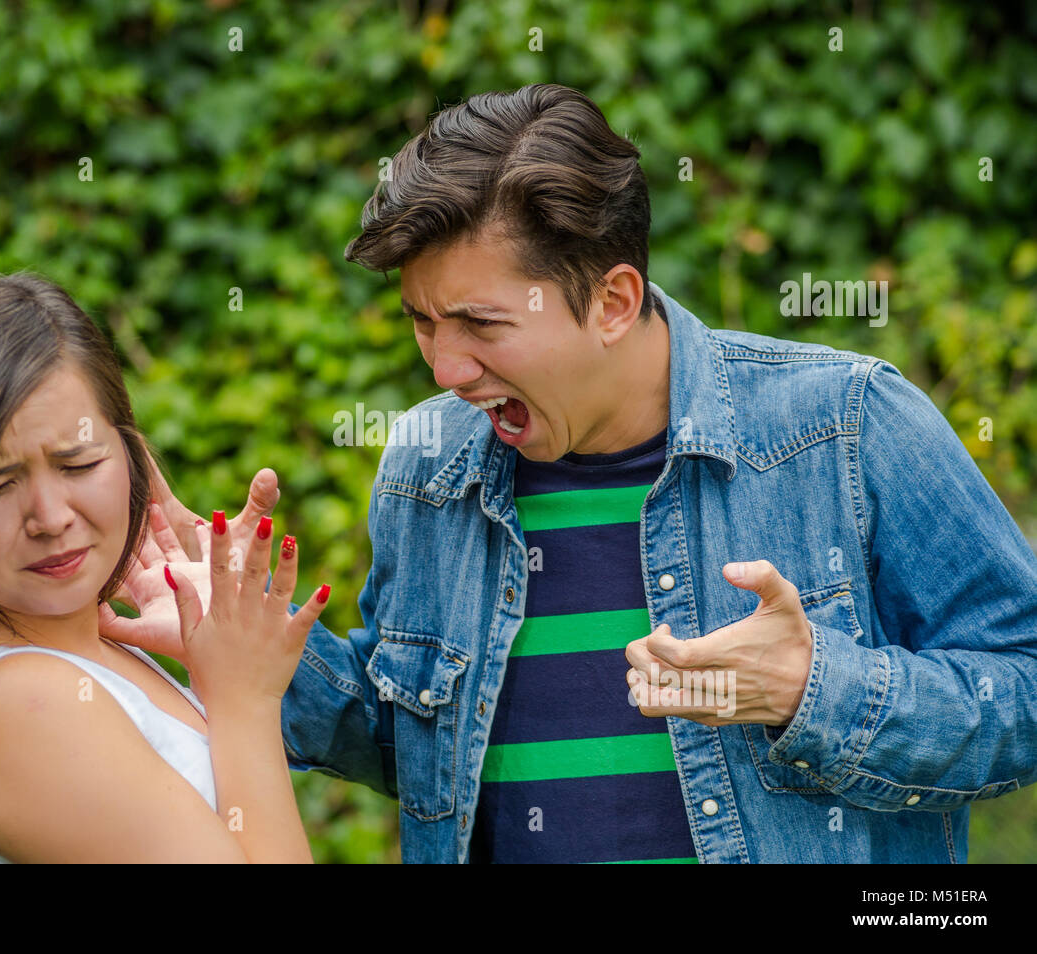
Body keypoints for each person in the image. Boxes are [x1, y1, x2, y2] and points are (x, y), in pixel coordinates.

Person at [151, 83, 1037, 863]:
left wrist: (815, 690)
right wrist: (234, 635)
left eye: (481, 325)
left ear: (612, 301)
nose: (444, 370)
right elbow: (417, 746)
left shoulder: (844, 426)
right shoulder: (428, 465)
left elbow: (1023, 689)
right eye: (422, 322)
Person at [0, 273, 329, 863]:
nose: (50, 517)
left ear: (132, 454)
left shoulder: (91, 660)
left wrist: (215, 658)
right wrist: (244, 700)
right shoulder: (22, 707)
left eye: (79, 464)